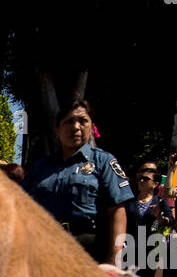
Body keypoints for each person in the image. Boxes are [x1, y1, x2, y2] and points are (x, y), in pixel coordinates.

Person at [24, 100, 133, 264]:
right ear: (57, 130)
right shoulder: (40, 167)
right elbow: (21, 205)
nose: (75, 127)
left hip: (88, 253)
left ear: (91, 126)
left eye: (83, 121)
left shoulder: (103, 162)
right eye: (68, 121)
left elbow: (117, 211)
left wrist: (115, 258)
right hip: (45, 252)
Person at [121, 160, 174, 277]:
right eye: (140, 178)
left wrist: (160, 218)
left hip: (149, 251)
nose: (141, 181)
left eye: (145, 179)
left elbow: (170, 221)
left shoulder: (160, 202)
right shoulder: (129, 201)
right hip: (128, 248)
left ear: (155, 184)